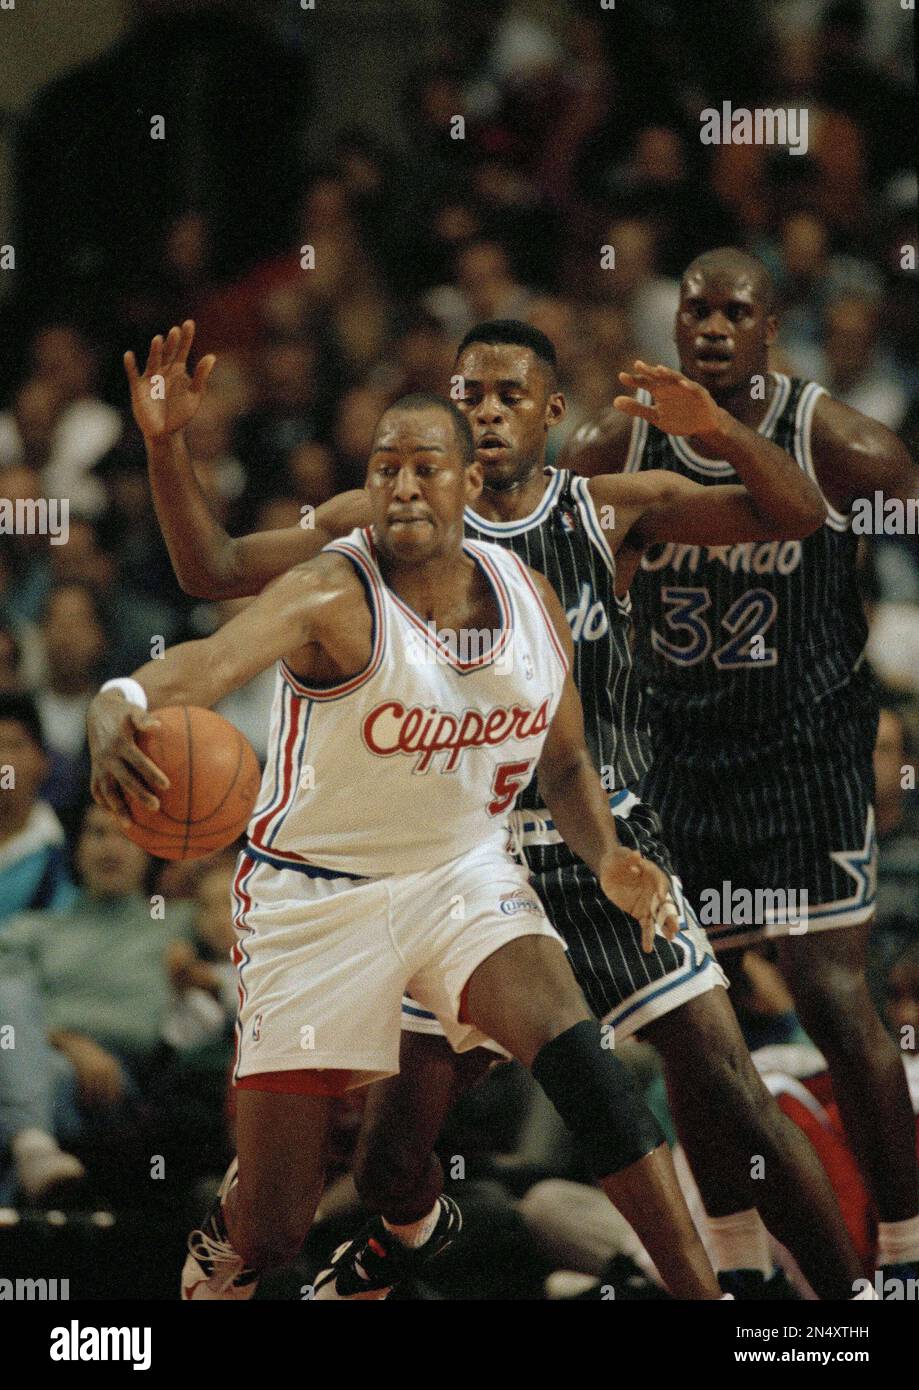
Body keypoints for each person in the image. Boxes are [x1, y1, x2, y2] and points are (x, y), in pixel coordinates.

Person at [103, 319, 873, 1302]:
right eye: (469, 394)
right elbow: (210, 568)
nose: (487, 411)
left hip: (584, 841)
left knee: (716, 1080)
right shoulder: (366, 528)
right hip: (434, 854)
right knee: (379, 1165)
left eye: (509, 395)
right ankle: (396, 1230)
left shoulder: (602, 512)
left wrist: (718, 429)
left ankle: (838, 1306)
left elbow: (797, 514)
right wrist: (167, 448)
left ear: (548, 415)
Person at [563, 245, 919, 1285]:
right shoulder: (607, 442)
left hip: (804, 746)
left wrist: (716, 431)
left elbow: (880, 496)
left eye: (734, 312)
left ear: (771, 329)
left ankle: (903, 1254)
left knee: (829, 995)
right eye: (695, 309)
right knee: (690, 1027)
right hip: (679, 756)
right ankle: (735, 1265)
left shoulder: (834, 438)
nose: (711, 328)